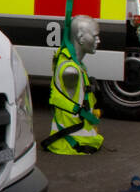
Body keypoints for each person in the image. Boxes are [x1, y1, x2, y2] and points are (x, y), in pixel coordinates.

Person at [43, 15, 104, 155]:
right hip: (73, 141)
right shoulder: (71, 71)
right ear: (81, 37)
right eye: (95, 36)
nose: (98, 40)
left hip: (72, 136)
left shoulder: (68, 59)